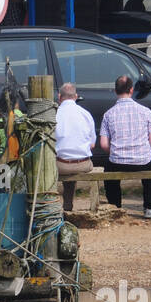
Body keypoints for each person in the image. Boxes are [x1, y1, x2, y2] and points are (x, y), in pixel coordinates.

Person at [98, 75, 151, 218]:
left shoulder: (108, 114)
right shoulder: (146, 111)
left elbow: (104, 144)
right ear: (132, 90)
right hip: (142, 160)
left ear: (115, 91)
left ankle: (115, 207)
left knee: (109, 171)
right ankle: (149, 208)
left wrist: (115, 151)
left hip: (117, 160)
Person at [54, 83, 95, 211]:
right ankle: (67, 205)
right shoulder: (86, 114)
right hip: (83, 164)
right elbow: (92, 145)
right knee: (73, 162)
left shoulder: (54, 114)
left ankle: (60, 206)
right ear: (76, 96)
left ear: (59, 96)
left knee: (58, 160)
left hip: (61, 165)